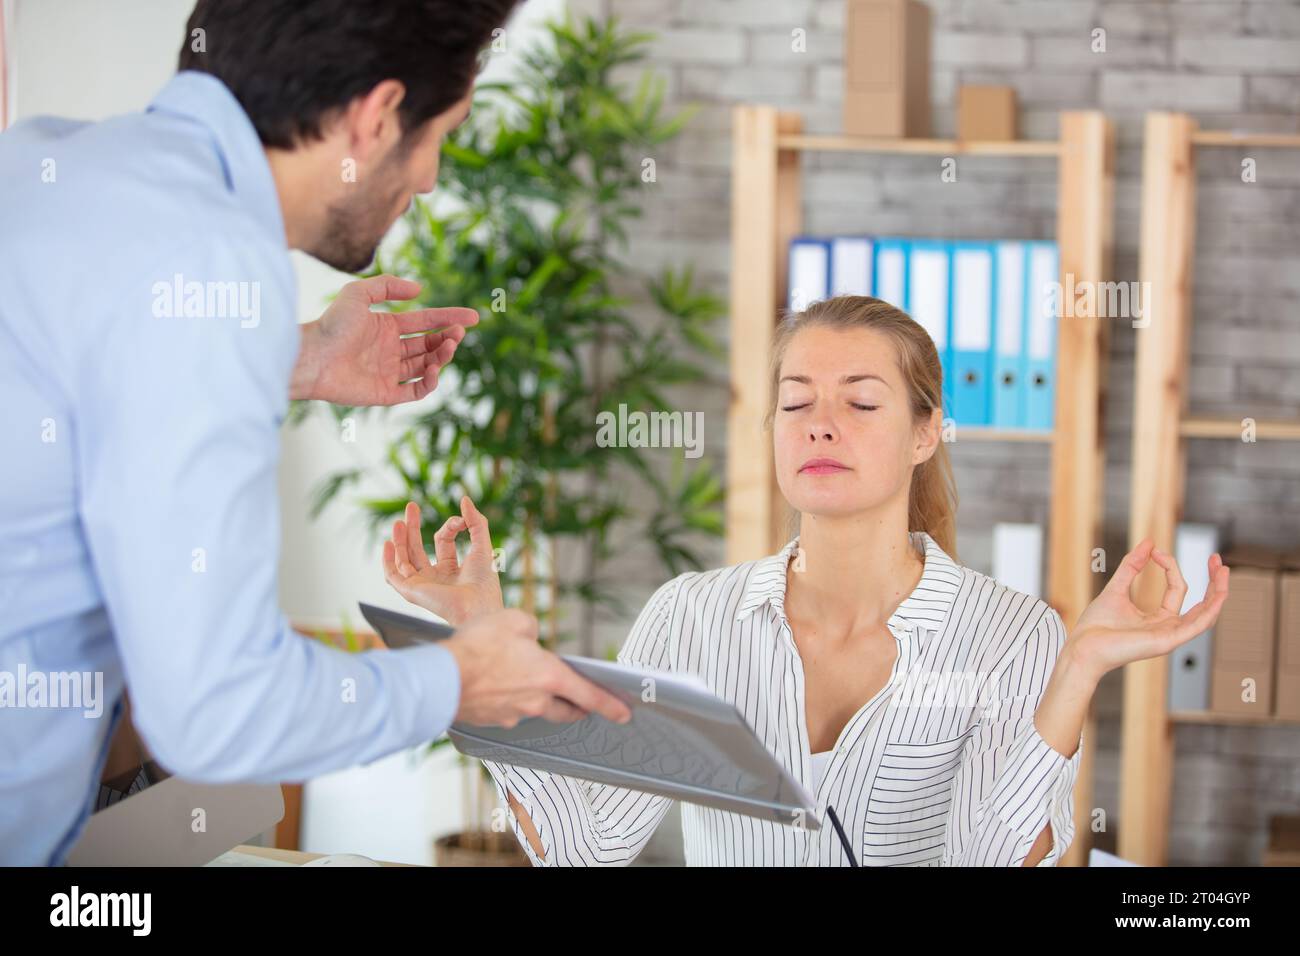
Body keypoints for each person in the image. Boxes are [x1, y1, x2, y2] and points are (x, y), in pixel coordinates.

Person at [0, 0, 629, 866]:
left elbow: (76, 389)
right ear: (375, 120)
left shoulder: (48, 159)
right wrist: (459, 679)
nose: (433, 178)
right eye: (442, 132)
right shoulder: (213, 259)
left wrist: (298, 360)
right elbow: (217, 713)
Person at [382, 295, 1231, 866]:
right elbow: (589, 845)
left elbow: (984, 860)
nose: (820, 425)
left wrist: (1077, 668)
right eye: (797, 403)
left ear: (926, 433)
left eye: (861, 404)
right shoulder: (691, 617)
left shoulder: (1012, 635)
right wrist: (480, 647)